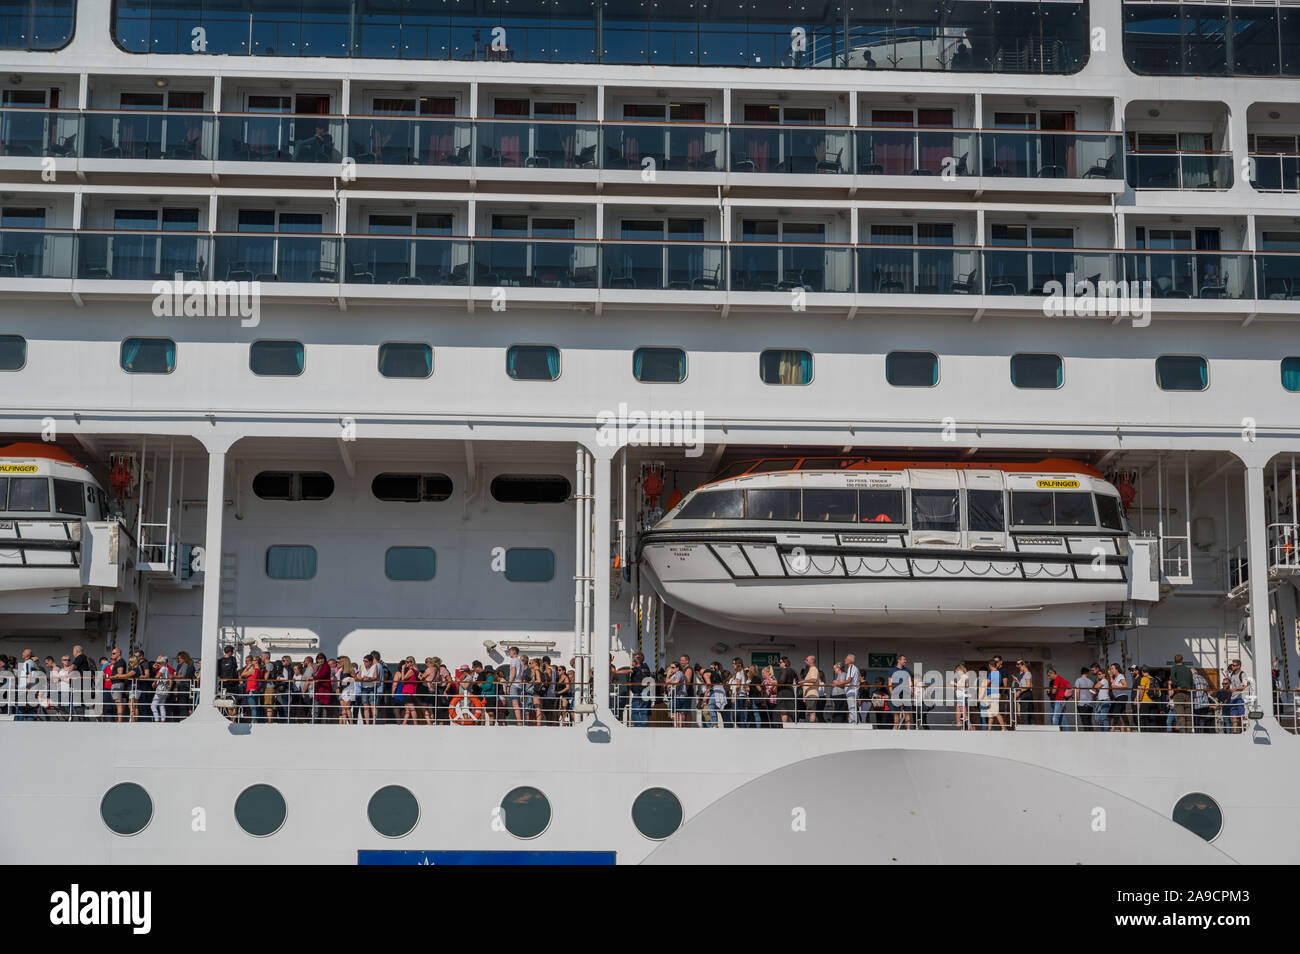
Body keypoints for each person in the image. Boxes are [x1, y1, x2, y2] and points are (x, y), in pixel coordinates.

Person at [1169, 653, 1194, 733]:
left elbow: (1172, 678)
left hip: (1179, 693)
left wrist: (1177, 685)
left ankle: (1183, 732)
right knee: (1188, 715)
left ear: (1175, 661)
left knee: (1181, 715)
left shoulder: (1174, 668)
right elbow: (1191, 681)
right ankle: (1189, 731)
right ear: (1182, 660)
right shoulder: (1188, 669)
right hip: (1188, 693)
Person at [1224, 659, 1251, 732]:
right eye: (1232, 665)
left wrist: (1235, 689)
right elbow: (1230, 685)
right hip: (1233, 698)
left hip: (1240, 698)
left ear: (1238, 666)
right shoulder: (1232, 674)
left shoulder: (1243, 674)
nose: (1232, 666)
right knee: (1233, 718)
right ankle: (1235, 733)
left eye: (1234, 665)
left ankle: (1245, 731)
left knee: (1242, 717)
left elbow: (1245, 686)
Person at [627, 652, 652, 727]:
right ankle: (643, 725)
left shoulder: (637, 668)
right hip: (645, 691)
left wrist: (615, 671)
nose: (634, 659)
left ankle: (638, 725)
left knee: (635, 710)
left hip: (638, 692)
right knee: (644, 710)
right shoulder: (646, 666)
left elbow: (628, 671)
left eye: (636, 658)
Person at [889, 654, 913, 728]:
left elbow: (910, 682)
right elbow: (890, 683)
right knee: (896, 713)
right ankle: (896, 729)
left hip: (906, 693)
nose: (905, 661)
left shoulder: (907, 670)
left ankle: (908, 730)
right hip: (896, 693)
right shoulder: (892, 670)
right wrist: (892, 693)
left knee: (907, 712)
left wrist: (912, 692)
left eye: (905, 660)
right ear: (899, 660)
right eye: (904, 660)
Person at [1046, 666, 1073, 731]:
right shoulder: (1061, 679)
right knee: (1063, 718)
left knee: (1055, 718)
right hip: (1062, 700)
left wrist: (1050, 690)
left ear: (1052, 673)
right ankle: (1067, 732)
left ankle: (1055, 732)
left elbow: (1054, 691)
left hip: (1059, 700)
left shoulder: (1057, 679)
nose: (1048, 677)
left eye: (1049, 675)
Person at [983, 658, 1006, 730]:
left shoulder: (993, 673)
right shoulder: (998, 673)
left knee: (996, 713)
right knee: (990, 715)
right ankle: (989, 730)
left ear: (990, 665)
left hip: (993, 695)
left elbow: (986, 683)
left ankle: (1004, 728)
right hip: (993, 694)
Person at [774, 656, 798, 724]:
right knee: (789, 712)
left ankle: (784, 729)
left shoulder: (784, 670)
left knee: (784, 712)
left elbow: (782, 681)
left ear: (785, 663)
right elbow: (797, 680)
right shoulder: (792, 670)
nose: (779, 663)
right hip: (790, 692)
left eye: (781, 662)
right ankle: (790, 729)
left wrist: (775, 682)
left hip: (783, 693)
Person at [311, 653, 334, 723]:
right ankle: (315, 723)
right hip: (318, 691)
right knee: (316, 709)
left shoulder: (326, 666)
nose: (320, 660)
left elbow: (322, 675)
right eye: (318, 659)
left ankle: (323, 724)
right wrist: (314, 672)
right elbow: (315, 675)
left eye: (322, 658)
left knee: (323, 709)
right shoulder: (318, 667)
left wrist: (312, 677)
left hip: (324, 691)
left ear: (324, 659)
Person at [838, 654, 861, 724]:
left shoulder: (851, 667)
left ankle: (853, 722)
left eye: (846, 658)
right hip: (851, 692)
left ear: (850, 660)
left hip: (851, 691)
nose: (845, 660)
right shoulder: (852, 668)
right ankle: (855, 722)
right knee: (852, 708)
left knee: (852, 708)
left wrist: (838, 683)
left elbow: (849, 680)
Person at [1191, 666, 1214, 733]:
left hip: (1197, 703)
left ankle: (1197, 733)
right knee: (1202, 720)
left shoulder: (1192, 678)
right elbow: (1207, 688)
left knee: (1196, 720)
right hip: (1204, 702)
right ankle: (1202, 732)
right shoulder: (1202, 678)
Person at [801, 654, 822, 723]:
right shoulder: (811, 669)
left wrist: (803, 681)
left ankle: (812, 726)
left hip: (812, 694)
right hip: (809, 694)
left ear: (811, 661)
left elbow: (814, 679)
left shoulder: (813, 669)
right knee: (810, 711)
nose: (805, 661)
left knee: (811, 711)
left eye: (806, 660)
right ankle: (814, 726)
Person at [507, 646, 525, 725]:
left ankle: (519, 722)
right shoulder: (521, 662)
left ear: (514, 652)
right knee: (519, 704)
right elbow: (522, 675)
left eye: (510, 652)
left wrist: (508, 685)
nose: (509, 653)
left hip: (514, 684)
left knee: (515, 704)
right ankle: (520, 721)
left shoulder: (513, 660)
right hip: (519, 684)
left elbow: (513, 673)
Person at [1108, 664, 1130, 731]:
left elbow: (1126, 686)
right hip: (1118, 697)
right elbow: (1112, 685)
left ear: (1116, 669)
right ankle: (1128, 728)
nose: (1111, 670)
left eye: (1112, 668)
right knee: (1123, 713)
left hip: (1122, 696)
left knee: (1116, 712)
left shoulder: (1120, 676)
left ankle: (1112, 729)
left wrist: (1117, 687)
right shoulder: (1116, 677)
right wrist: (1110, 676)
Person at [151, 654, 172, 723]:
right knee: (161, 705)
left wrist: (154, 682)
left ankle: (157, 720)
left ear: (163, 663)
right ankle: (163, 720)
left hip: (161, 688)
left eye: (159, 663)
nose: (158, 664)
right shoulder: (167, 669)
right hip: (165, 688)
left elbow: (157, 676)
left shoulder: (163, 668)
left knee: (153, 706)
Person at [1014, 659, 1035, 726]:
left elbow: (1028, 686)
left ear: (1024, 666)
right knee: (1025, 711)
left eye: (1020, 666)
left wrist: (1019, 691)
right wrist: (1018, 682)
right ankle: (1027, 726)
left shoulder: (1027, 673)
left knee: (1025, 712)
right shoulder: (1025, 674)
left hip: (1026, 694)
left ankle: (1025, 727)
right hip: (1025, 694)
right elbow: (1024, 685)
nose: (1020, 668)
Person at [952, 663, 972, 730]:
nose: (957, 673)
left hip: (962, 697)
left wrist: (954, 684)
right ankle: (959, 730)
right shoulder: (962, 678)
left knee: (964, 715)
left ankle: (971, 729)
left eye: (957, 671)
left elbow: (963, 688)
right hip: (959, 697)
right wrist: (955, 688)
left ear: (960, 670)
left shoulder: (964, 676)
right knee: (958, 716)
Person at [1091, 665, 1111, 731]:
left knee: (1104, 718)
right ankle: (1103, 731)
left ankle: (1105, 731)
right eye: (1098, 674)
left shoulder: (1104, 680)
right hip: (1100, 701)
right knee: (1098, 718)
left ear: (1104, 675)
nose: (1098, 675)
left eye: (1099, 674)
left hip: (1105, 700)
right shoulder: (1103, 681)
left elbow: (1096, 686)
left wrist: (1094, 689)